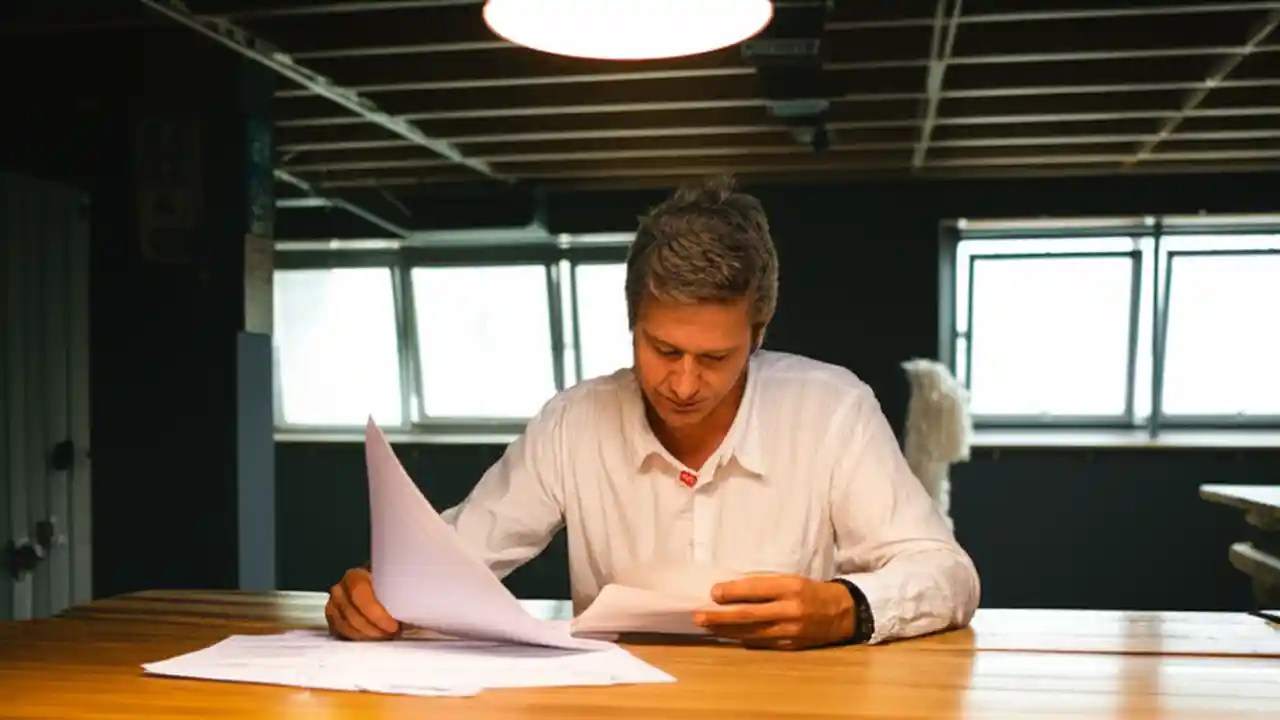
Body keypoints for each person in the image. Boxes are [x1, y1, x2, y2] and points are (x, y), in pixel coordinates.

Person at [325, 176, 981, 650]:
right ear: (631, 320)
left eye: (717, 357)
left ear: (759, 333)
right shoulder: (573, 421)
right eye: (663, 349)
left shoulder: (833, 408)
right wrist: (383, 592)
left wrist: (848, 608)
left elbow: (948, 575)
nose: (686, 383)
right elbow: (457, 557)